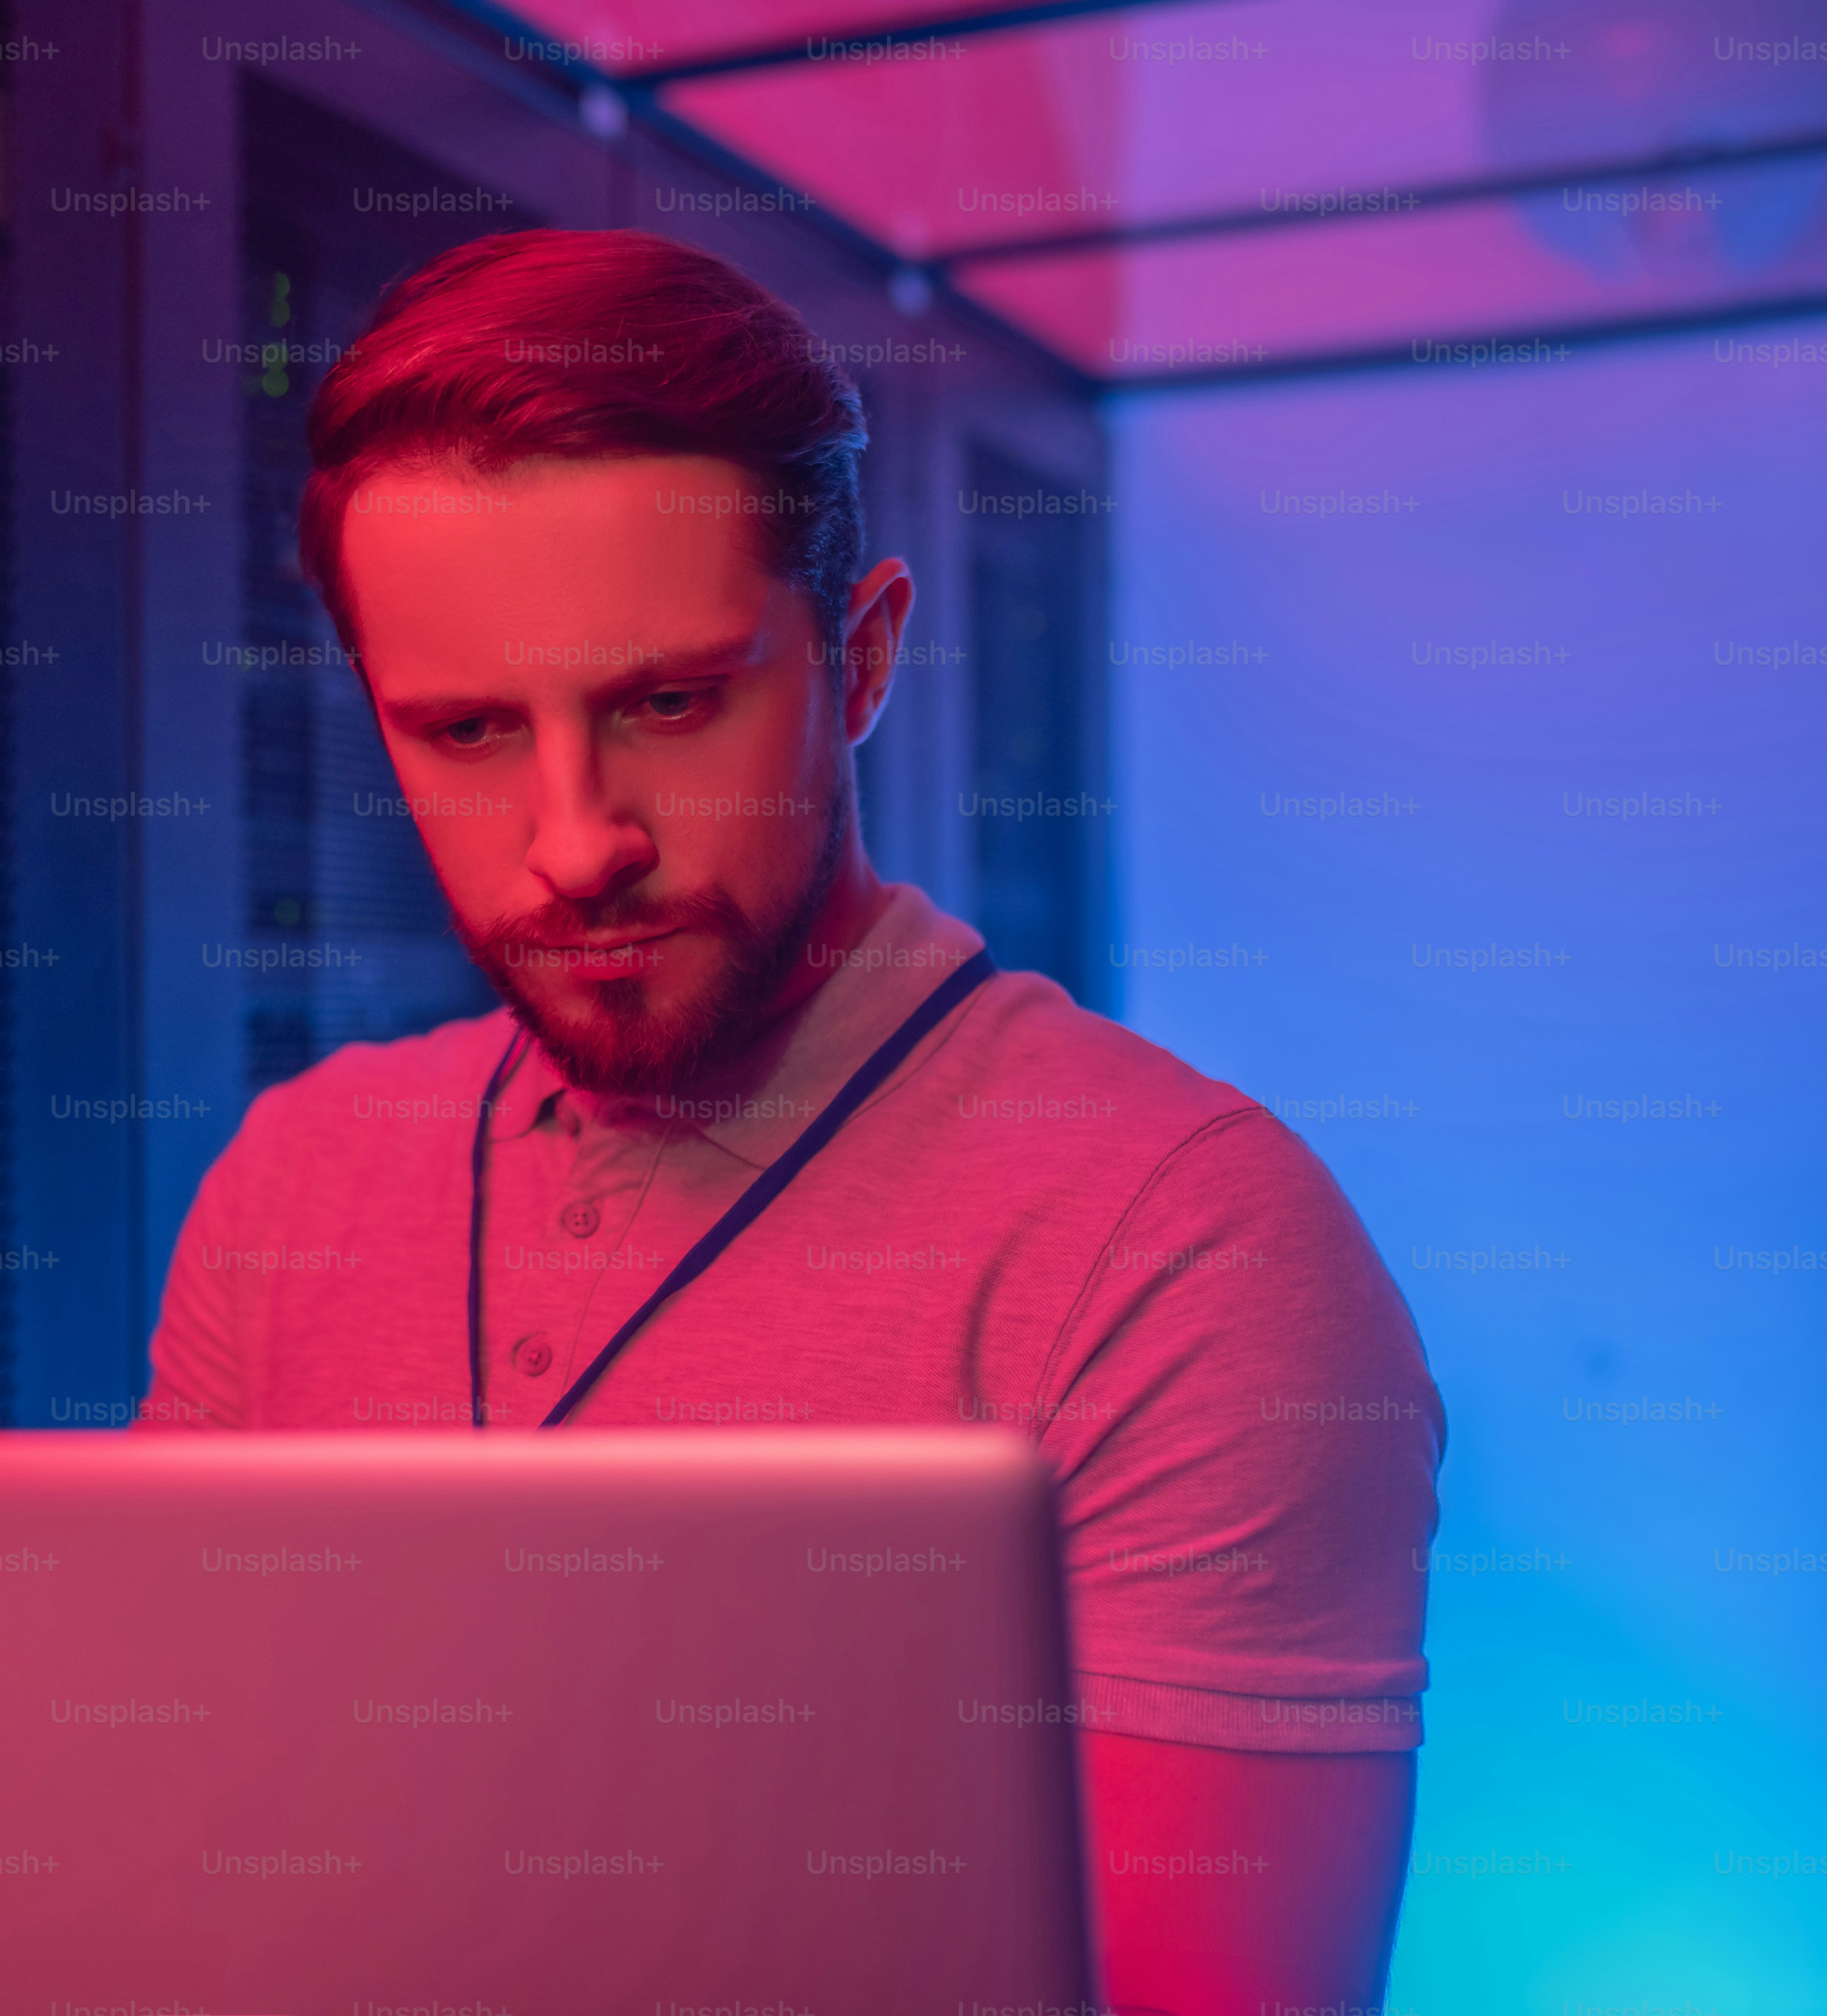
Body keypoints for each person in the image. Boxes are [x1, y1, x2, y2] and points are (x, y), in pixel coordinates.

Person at [137, 228, 1443, 2014]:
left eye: (669, 702)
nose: (577, 845)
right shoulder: (293, 1183)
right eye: (467, 732)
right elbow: (173, 1866)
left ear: (865, 655)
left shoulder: (1187, 1249)